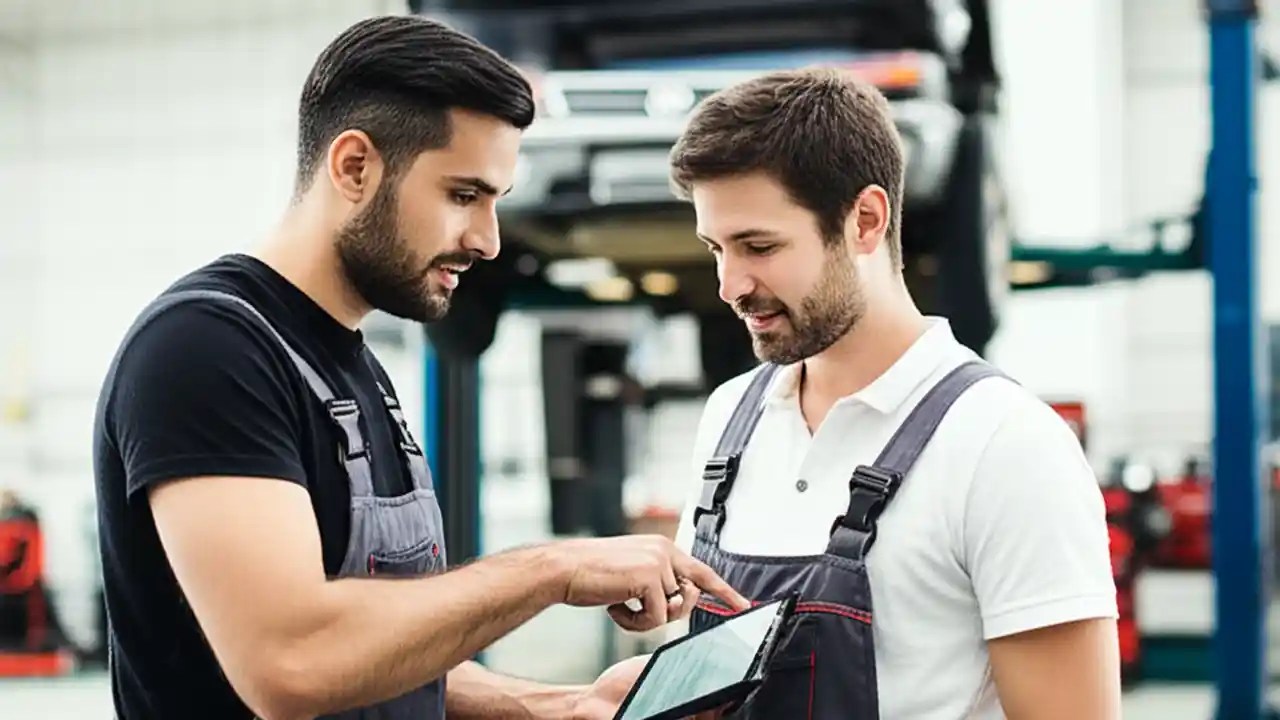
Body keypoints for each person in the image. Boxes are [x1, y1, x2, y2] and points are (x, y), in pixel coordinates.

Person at [91, 15, 745, 720]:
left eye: (496, 200)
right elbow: (295, 661)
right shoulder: (205, 350)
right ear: (354, 167)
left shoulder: (352, 363)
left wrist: (565, 705)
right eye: (463, 195)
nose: (489, 240)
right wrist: (556, 568)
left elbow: (382, 653)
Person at [663, 69, 1122, 718]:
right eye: (716, 248)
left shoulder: (1005, 445)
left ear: (866, 222)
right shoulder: (728, 422)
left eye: (758, 246)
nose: (729, 285)